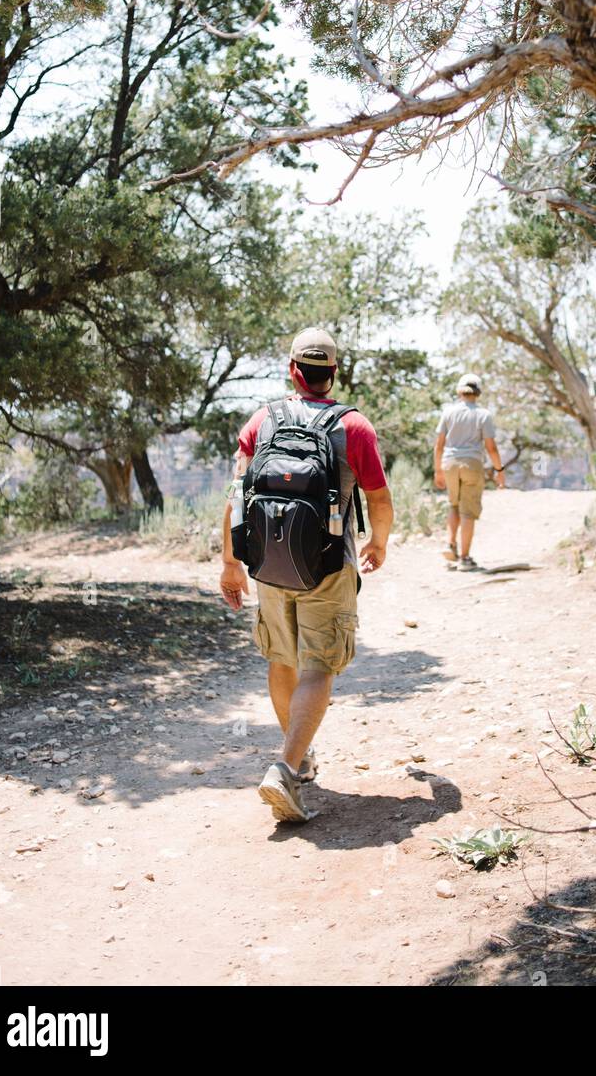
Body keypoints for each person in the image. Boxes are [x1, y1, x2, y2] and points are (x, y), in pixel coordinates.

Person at [220, 327, 394, 824]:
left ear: (293, 371)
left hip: (268, 566)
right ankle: (287, 767)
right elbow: (378, 498)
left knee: (281, 659)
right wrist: (377, 541)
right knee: (318, 665)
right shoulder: (354, 427)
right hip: (327, 565)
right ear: (333, 373)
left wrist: (231, 563)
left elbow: (236, 495)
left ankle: (298, 757)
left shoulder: (262, 420)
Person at [434, 372, 505, 570]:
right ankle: (465, 558)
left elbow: (439, 445)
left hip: (449, 463)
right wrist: (499, 469)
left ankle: (451, 545)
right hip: (471, 464)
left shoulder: (448, 412)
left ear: (459, 391)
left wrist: (438, 470)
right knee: (468, 513)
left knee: (453, 505)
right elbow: (491, 447)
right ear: (478, 392)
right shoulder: (483, 415)